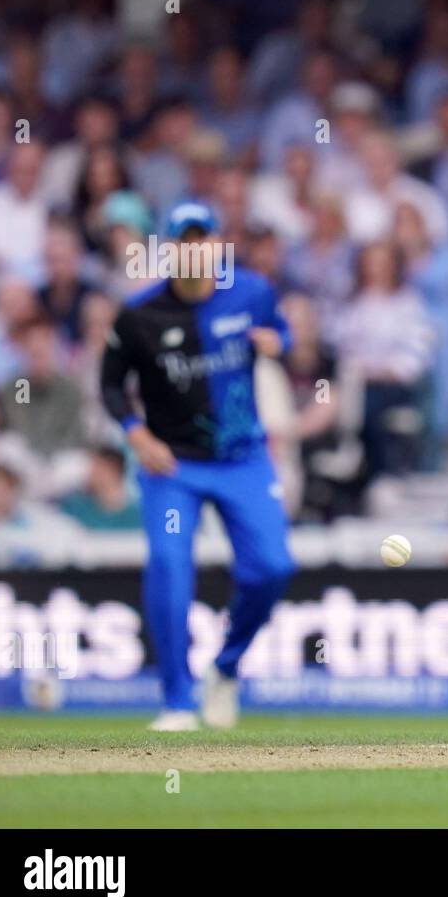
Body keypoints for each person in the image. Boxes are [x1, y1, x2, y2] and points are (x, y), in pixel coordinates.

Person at [99, 201, 295, 732]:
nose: (194, 250)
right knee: (169, 565)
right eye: (183, 241)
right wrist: (136, 435)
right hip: (173, 465)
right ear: (168, 251)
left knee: (274, 568)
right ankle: (178, 702)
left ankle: (225, 668)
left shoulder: (251, 292)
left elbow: (283, 332)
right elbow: (110, 385)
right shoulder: (139, 314)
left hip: (243, 458)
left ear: (216, 246)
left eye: (202, 239)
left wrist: (280, 342)